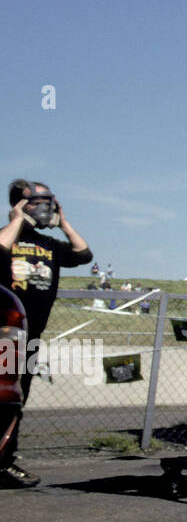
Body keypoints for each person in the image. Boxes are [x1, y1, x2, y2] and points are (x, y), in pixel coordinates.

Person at [0, 179, 93, 488]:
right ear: (18, 204)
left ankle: (4, 463)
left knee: (16, 402)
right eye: (36, 202)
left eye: (48, 202)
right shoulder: (7, 238)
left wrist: (63, 222)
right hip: (4, 335)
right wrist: (16, 221)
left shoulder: (49, 245)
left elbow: (83, 254)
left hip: (31, 337)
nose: (44, 208)